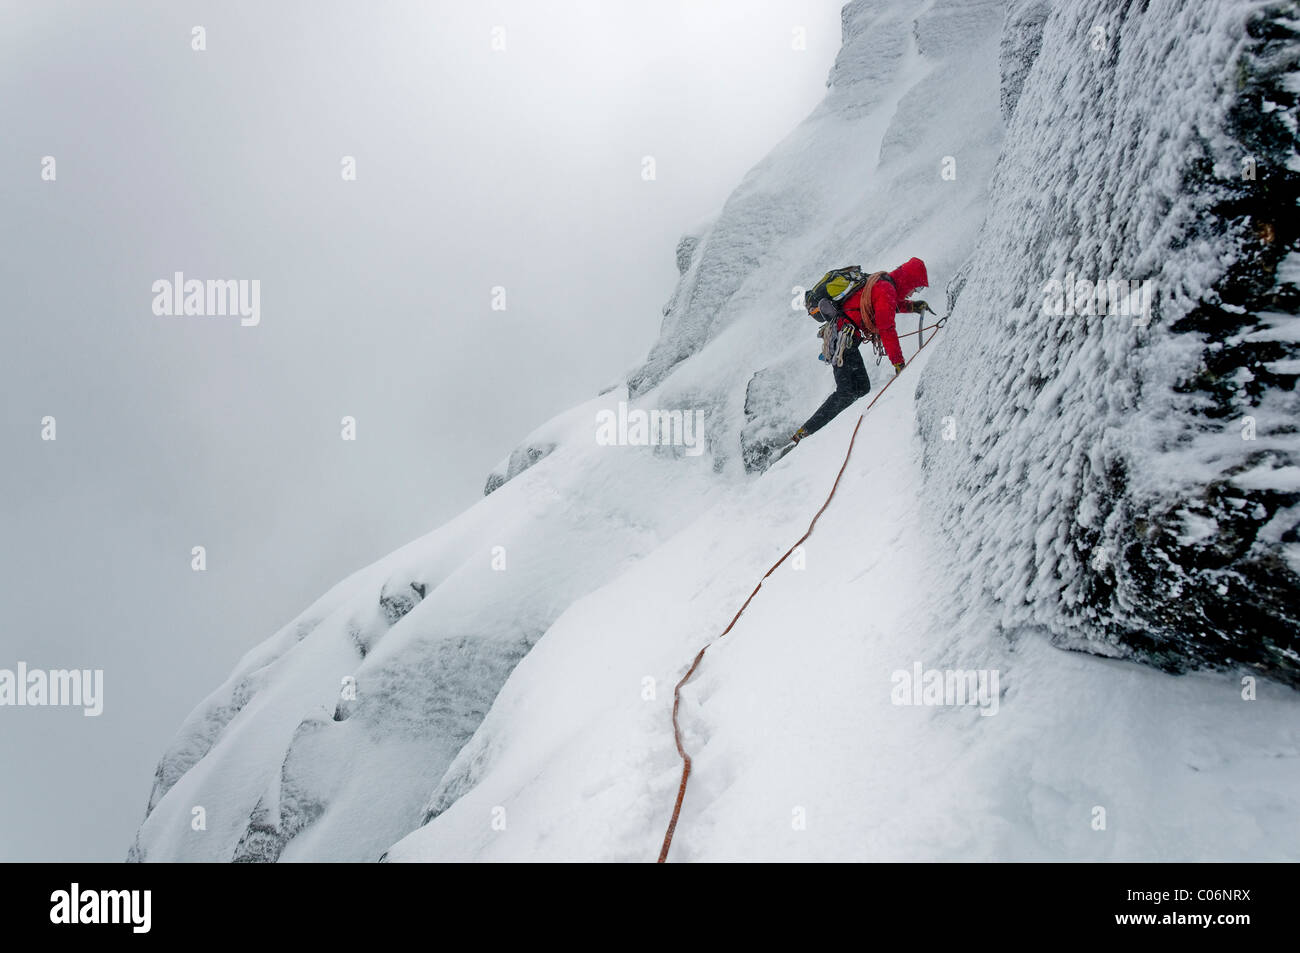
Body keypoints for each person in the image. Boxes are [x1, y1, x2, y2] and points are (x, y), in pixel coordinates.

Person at [791, 257, 931, 443]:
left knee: (862, 389)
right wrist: (898, 362)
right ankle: (805, 433)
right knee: (845, 392)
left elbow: (886, 306)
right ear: (910, 281)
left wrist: (912, 307)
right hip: (842, 340)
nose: (914, 292)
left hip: (844, 338)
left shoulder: (883, 283)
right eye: (917, 287)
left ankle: (836, 430)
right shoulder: (885, 289)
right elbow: (886, 326)